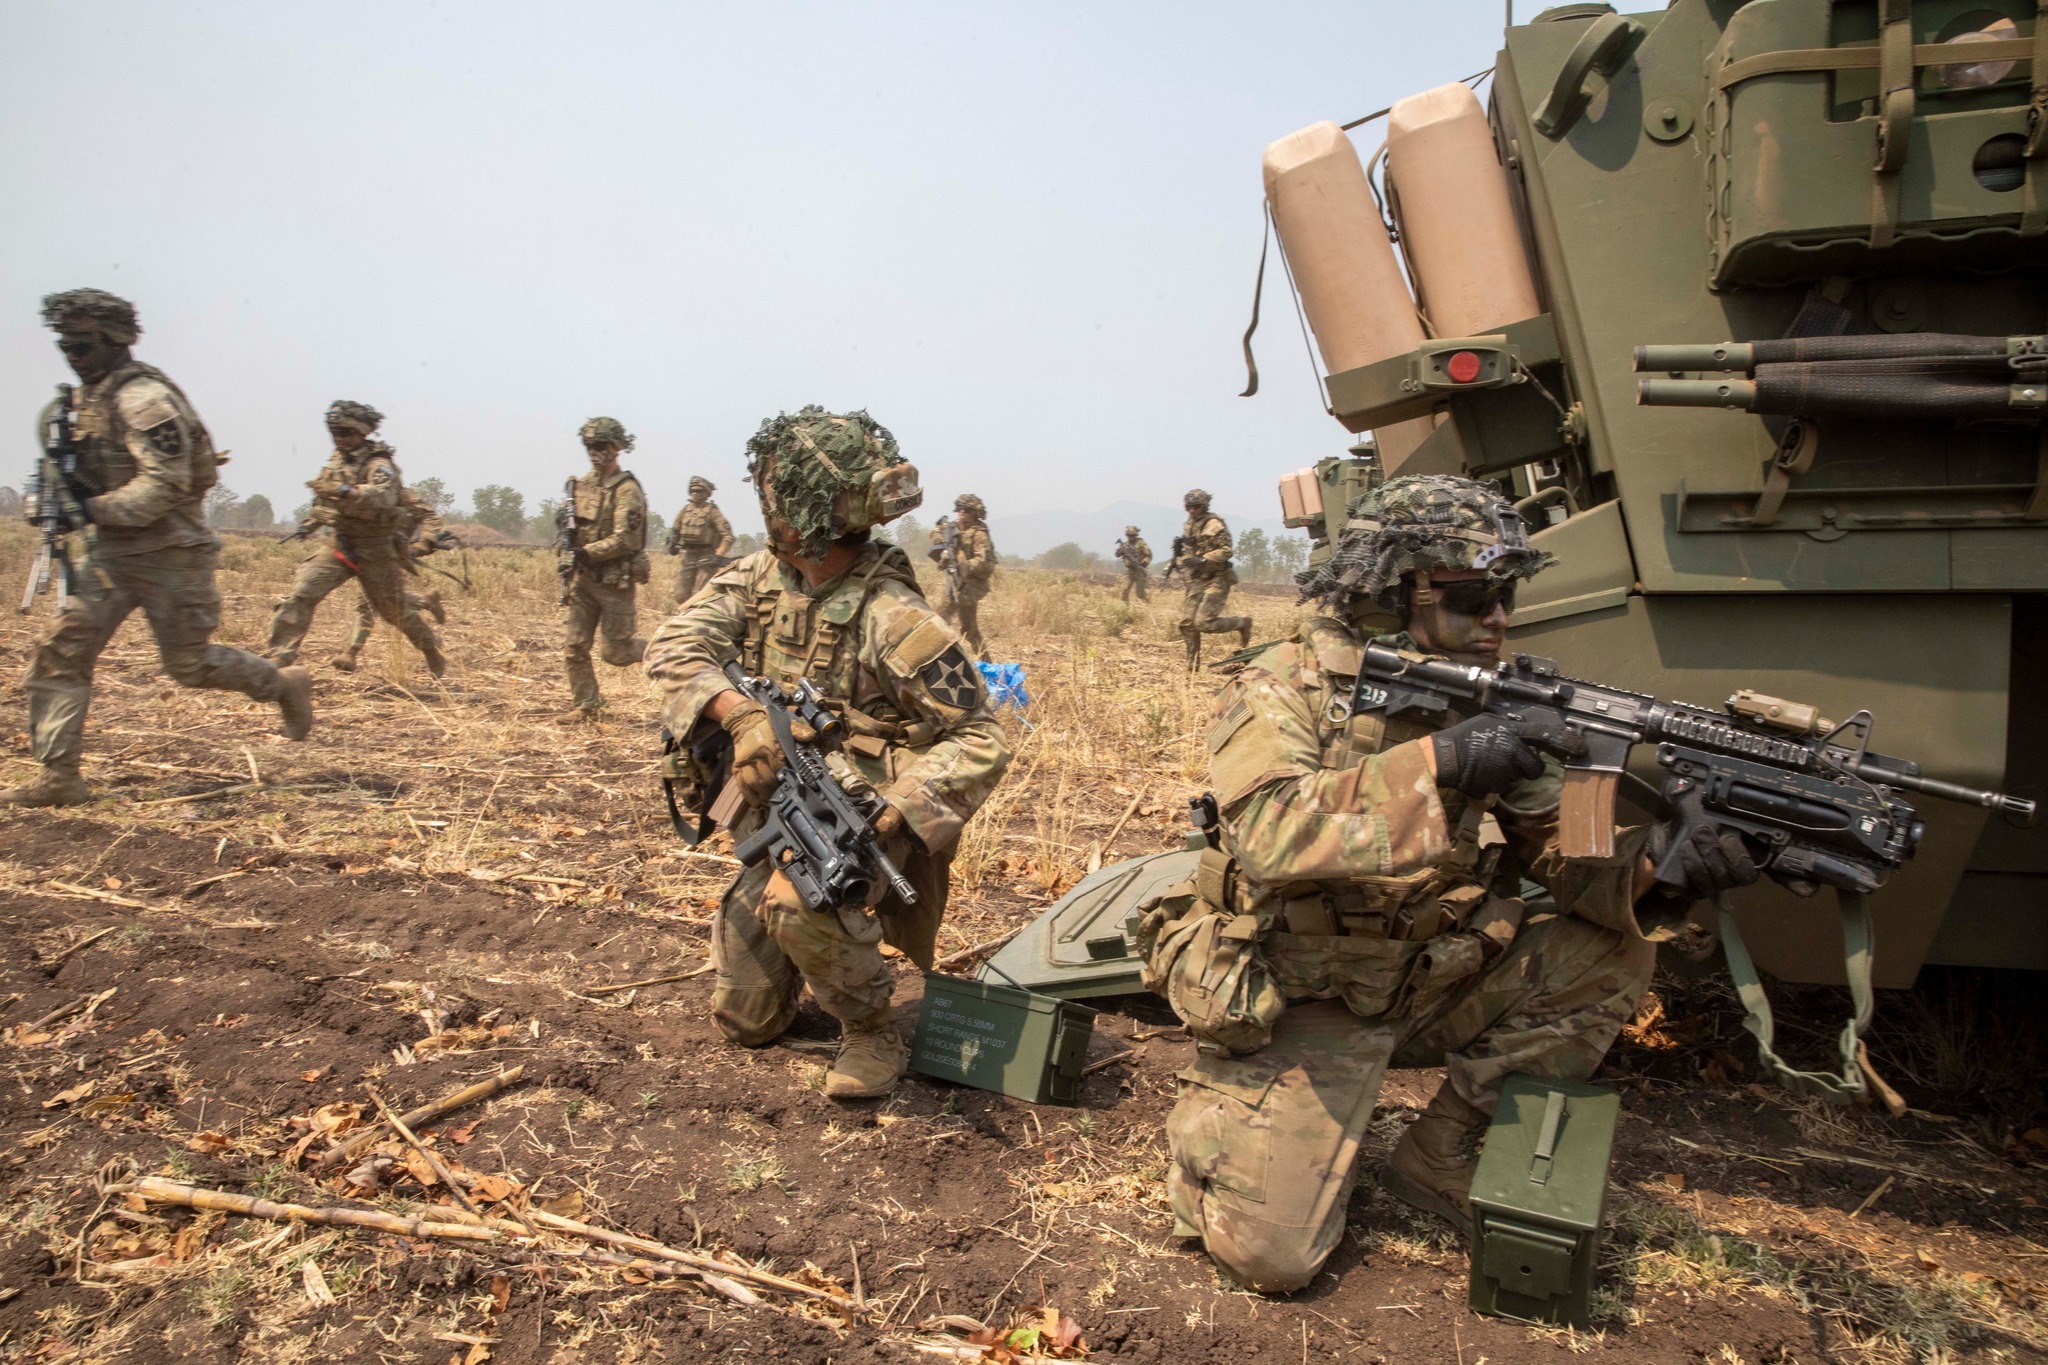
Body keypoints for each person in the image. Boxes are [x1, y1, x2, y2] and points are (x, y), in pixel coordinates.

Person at [1143, 474, 1757, 1292]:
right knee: (1273, 1259)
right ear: (1398, 589)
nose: (1498, 618)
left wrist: (1662, 861)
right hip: (1301, 993)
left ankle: (1438, 1153)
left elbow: (1566, 858)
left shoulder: (1489, 694)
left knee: (1610, 950)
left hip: (1429, 977)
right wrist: (1441, 759)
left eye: (1507, 596)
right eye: (1475, 598)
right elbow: (1269, 835)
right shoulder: (1286, 681)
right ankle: (1223, 1118)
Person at [645, 406, 1011, 1099]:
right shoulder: (760, 577)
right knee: (746, 1021)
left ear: (806, 510)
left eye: (775, 493)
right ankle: (806, 949)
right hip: (781, 808)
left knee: (797, 904)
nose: (765, 505)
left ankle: (871, 1029)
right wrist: (741, 715)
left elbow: (981, 735)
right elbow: (673, 645)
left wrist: (900, 809)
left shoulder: (893, 617)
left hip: (861, 815)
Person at [5, 290, 312, 807]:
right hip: (108, 555)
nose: (71, 356)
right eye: (64, 346)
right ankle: (59, 777)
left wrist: (91, 508)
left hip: (172, 554)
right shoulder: (81, 404)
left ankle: (282, 685)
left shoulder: (144, 401)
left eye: (81, 346)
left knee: (188, 666)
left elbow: (167, 483)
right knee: (61, 653)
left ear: (115, 341)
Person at [265, 402, 447, 677]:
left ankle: (430, 648)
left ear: (362, 433)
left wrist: (347, 491)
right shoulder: (337, 461)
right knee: (302, 593)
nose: (340, 439)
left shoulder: (379, 464)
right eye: (335, 434)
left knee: (393, 611)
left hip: (376, 548)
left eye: (346, 433)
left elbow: (382, 495)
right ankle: (279, 657)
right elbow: (324, 501)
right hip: (339, 544)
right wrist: (311, 523)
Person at [559, 417, 650, 720]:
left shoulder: (627, 490)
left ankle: (669, 653)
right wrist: (566, 546)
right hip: (584, 580)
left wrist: (586, 552)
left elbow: (626, 539)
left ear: (616, 448)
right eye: (589, 447)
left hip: (614, 583)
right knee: (574, 647)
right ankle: (587, 706)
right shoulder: (582, 486)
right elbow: (571, 529)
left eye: (600, 447)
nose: (594, 453)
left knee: (616, 653)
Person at [334, 481, 447, 674]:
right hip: (368, 554)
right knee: (386, 600)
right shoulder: (361, 493)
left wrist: (424, 543)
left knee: (367, 603)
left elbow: (429, 516)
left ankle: (351, 653)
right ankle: (424, 602)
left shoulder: (404, 495)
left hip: (388, 555)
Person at [1175, 489, 1250, 670]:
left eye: (1196, 507)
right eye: (1188, 507)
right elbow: (1189, 550)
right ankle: (1192, 664)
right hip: (1197, 579)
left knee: (1203, 623)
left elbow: (1227, 551)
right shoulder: (1190, 525)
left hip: (1217, 578)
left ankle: (1242, 622)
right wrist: (1180, 559)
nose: (1192, 510)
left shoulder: (1214, 525)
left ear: (1204, 506)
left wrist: (1204, 559)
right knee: (1186, 623)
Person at [929, 493, 996, 661]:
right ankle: (987, 662)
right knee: (970, 630)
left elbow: (985, 563)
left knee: (941, 617)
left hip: (971, 586)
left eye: (967, 510)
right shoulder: (952, 527)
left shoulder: (979, 535)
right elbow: (935, 531)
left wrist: (964, 564)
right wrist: (942, 543)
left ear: (976, 513)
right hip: (956, 582)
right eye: (959, 509)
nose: (962, 513)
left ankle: (934, 656)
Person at [667, 476, 734, 601]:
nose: (695, 493)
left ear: (706, 493)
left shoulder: (712, 511)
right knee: (680, 594)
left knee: (700, 596)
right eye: (693, 490)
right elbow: (675, 530)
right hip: (688, 556)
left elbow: (728, 536)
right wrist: (672, 544)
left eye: (699, 491)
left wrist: (718, 556)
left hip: (706, 558)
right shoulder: (685, 510)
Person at [1114, 524, 1152, 603]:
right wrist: (1120, 551)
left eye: (1132, 536)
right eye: (1128, 536)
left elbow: (1148, 555)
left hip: (1139, 571)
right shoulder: (1125, 544)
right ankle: (1125, 608)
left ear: (1136, 535)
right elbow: (1117, 555)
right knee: (1124, 590)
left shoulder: (1141, 543)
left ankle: (1146, 606)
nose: (1130, 537)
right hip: (1130, 571)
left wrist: (1144, 562)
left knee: (1140, 594)